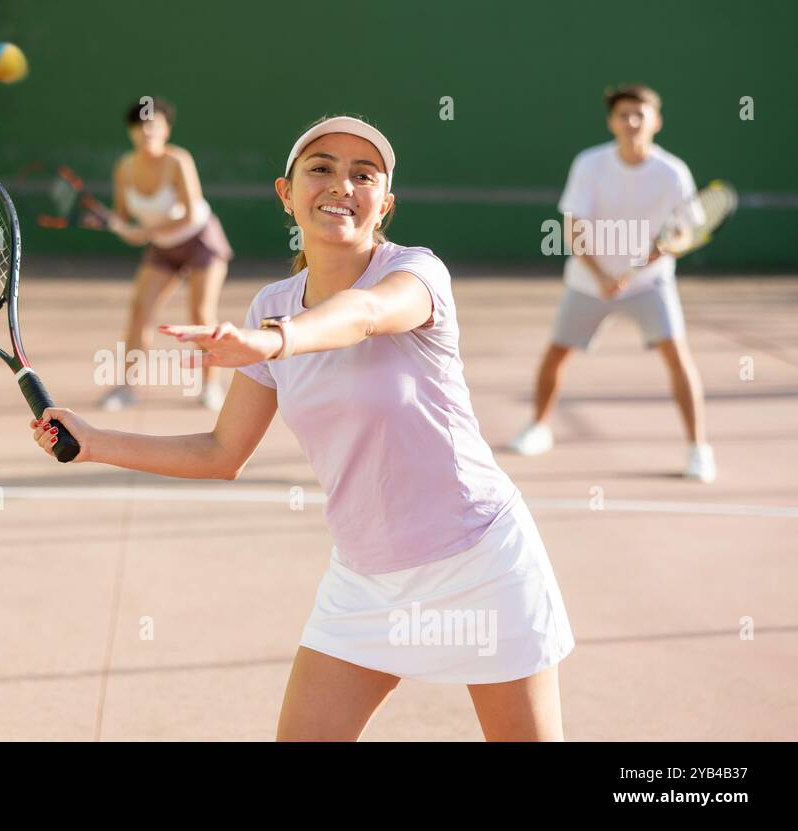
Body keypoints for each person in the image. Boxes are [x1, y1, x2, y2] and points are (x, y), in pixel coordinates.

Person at [29, 116, 574, 741]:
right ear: (287, 192)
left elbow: (364, 314)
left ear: (384, 204)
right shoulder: (269, 303)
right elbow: (221, 451)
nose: (341, 184)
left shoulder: (418, 274)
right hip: (365, 578)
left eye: (362, 174)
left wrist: (273, 342)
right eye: (321, 168)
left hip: (480, 560)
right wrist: (94, 442)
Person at [509, 84, 715, 482]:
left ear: (656, 121)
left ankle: (698, 450)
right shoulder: (590, 164)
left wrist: (664, 250)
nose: (632, 122)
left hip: (650, 284)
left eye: (640, 114)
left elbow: (685, 233)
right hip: (588, 282)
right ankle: (537, 428)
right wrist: (602, 276)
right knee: (557, 354)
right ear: (612, 122)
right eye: (624, 115)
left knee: (677, 356)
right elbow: (573, 228)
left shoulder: (673, 173)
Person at [99, 97, 234, 412]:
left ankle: (210, 386)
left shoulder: (178, 161)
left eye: (154, 124)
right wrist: (120, 227)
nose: (147, 131)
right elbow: (122, 215)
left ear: (166, 130)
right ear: (132, 131)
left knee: (200, 315)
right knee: (139, 311)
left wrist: (143, 232)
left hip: (201, 242)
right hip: (163, 248)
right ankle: (126, 388)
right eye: (141, 125)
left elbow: (189, 214)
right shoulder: (124, 167)